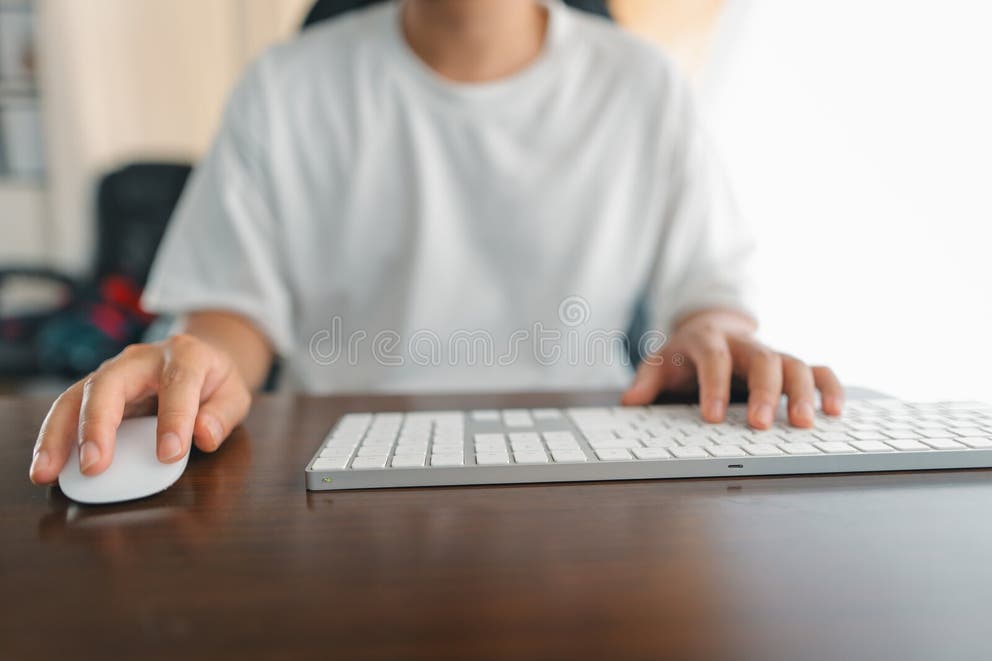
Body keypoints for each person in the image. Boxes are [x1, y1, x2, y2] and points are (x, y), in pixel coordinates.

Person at [29, 0, 843, 485]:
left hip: (591, 474)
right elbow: (231, 319)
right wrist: (195, 360)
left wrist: (711, 339)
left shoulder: (644, 86)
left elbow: (707, 297)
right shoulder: (286, 89)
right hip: (335, 480)